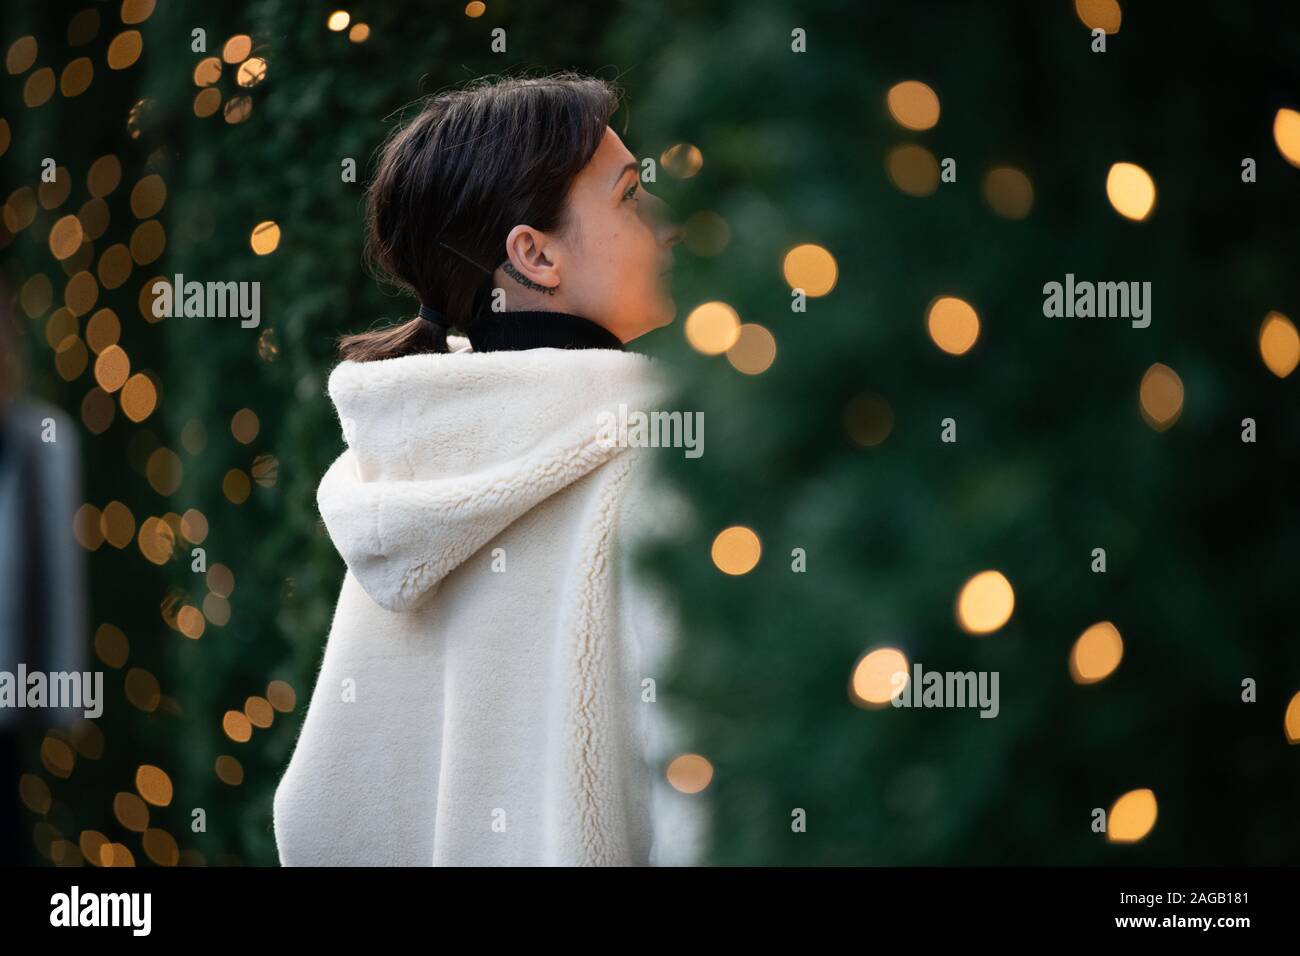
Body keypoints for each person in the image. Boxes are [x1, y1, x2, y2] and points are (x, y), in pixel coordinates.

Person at [272, 72, 706, 865]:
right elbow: (706, 788)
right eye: (632, 196)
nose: (666, 223)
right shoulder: (656, 469)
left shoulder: (407, 478)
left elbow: (319, 809)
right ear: (535, 254)